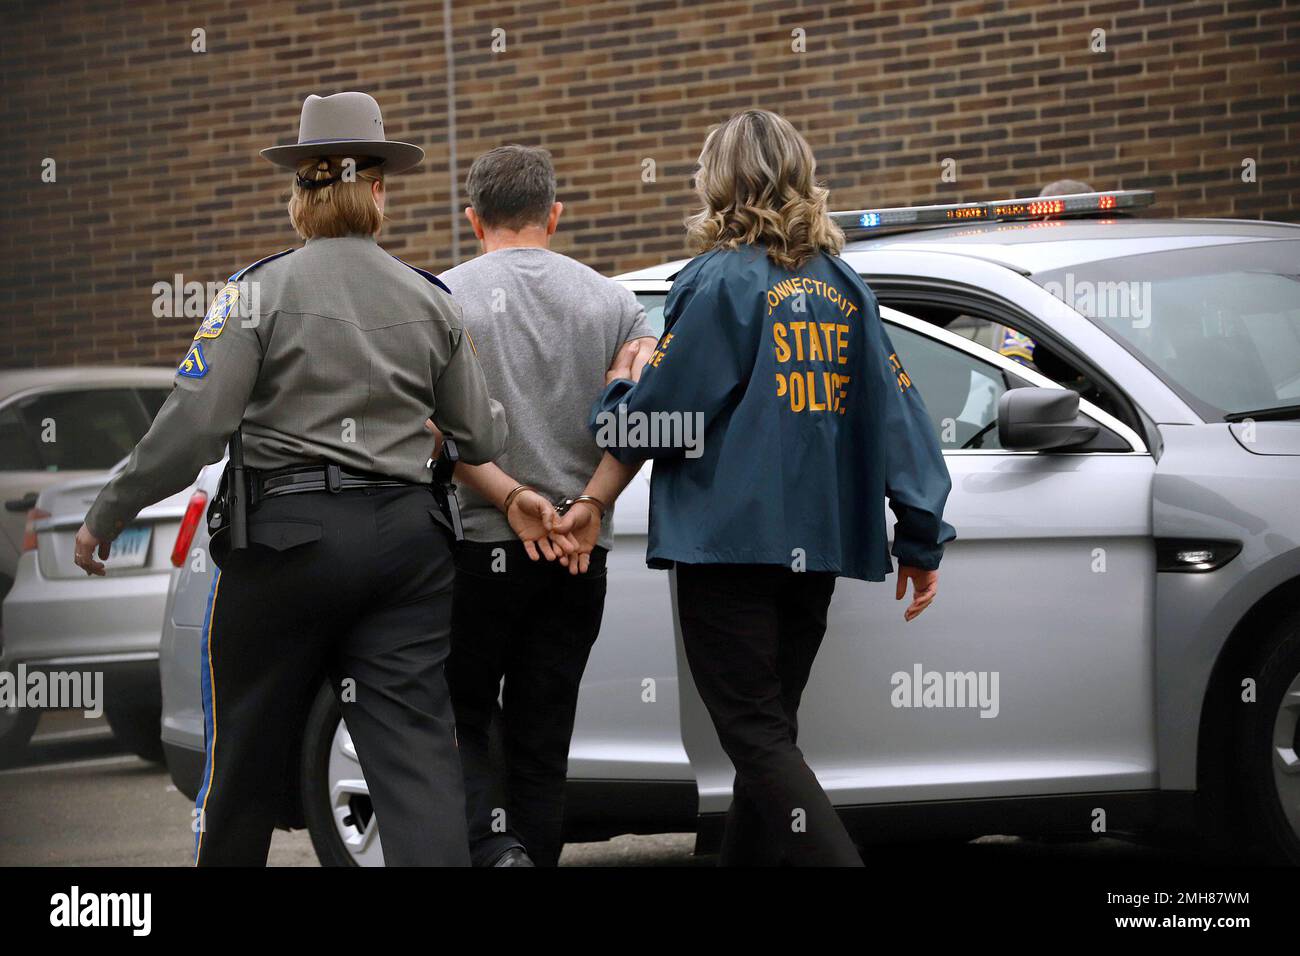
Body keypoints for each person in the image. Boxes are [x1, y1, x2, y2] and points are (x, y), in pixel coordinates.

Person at [74, 92, 508, 866]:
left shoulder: (254, 293)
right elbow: (484, 432)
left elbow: (194, 426)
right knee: (415, 762)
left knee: (242, 752)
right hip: (409, 547)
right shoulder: (430, 299)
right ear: (377, 192)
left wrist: (109, 511)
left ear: (301, 194)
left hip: (285, 544)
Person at [562, 109, 957, 866]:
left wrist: (617, 393)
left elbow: (664, 419)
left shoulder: (719, 281)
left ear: (721, 182)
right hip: (817, 549)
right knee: (768, 735)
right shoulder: (847, 285)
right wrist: (919, 533)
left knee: (756, 737)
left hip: (729, 544)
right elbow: (902, 412)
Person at [437, 145, 658, 867]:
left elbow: (432, 433)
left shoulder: (441, 299)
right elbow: (642, 422)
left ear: (473, 219)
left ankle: (495, 849)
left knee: (465, 713)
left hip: (478, 546)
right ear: (554, 215)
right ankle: (530, 851)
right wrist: (587, 505)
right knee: (545, 731)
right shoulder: (617, 304)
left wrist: (511, 496)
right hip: (577, 553)